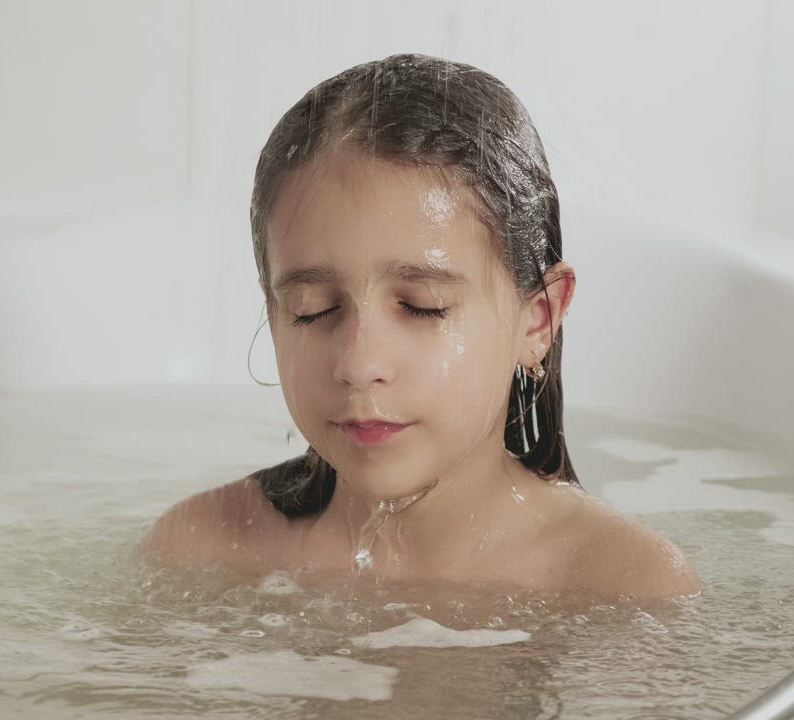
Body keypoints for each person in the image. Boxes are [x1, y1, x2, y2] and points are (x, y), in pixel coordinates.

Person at [139, 53, 700, 600]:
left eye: (423, 306)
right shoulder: (201, 546)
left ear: (539, 318)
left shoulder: (624, 588)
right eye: (313, 308)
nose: (359, 365)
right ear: (273, 313)